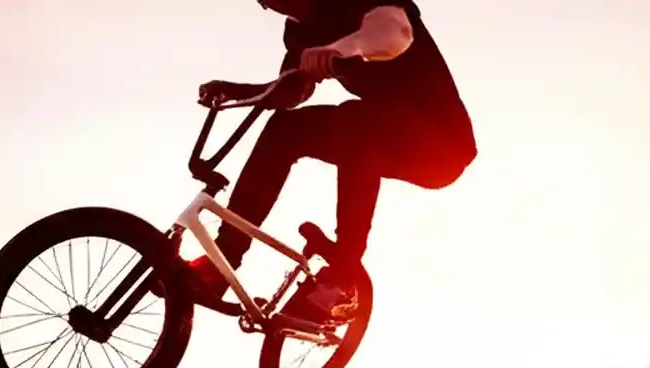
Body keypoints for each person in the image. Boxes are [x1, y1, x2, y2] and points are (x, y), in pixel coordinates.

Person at [184, 0, 477, 322]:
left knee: (357, 122)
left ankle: (344, 277)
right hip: (379, 131)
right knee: (285, 129)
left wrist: (343, 47)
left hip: (440, 144)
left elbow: (395, 32)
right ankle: (223, 259)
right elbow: (289, 92)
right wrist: (238, 91)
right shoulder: (299, 33)